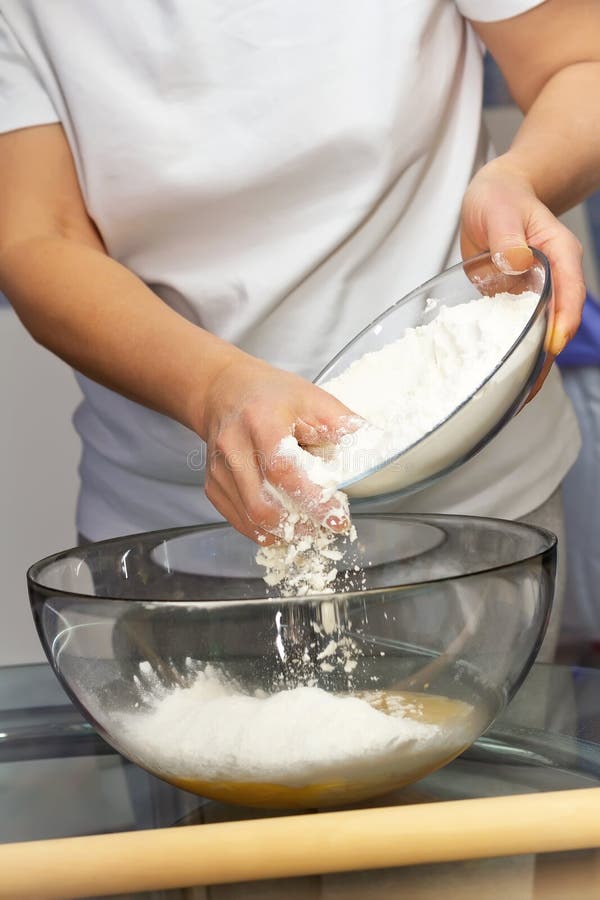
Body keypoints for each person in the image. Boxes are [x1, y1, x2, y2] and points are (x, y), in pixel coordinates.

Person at [0, 2, 598, 651]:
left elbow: (579, 60)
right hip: (175, 549)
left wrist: (518, 178)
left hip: (478, 518)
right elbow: (38, 236)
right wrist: (212, 388)